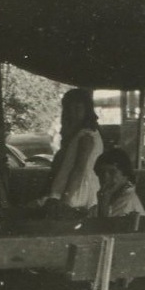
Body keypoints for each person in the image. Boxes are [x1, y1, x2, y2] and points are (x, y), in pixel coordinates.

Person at [41, 87, 104, 215]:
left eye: (78, 108)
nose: (73, 114)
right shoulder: (81, 134)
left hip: (77, 191)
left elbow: (79, 169)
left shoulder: (86, 136)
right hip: (75, 188)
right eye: (69, 109)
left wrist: (66, 199)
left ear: (87, 110)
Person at [95, 146, 145, 220]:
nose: (105, 178)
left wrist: (103, 204)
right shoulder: (112, 194)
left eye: (112, 172)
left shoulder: (127, 201)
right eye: (101, 172)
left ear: (125, 174)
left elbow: (106, 228)